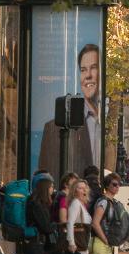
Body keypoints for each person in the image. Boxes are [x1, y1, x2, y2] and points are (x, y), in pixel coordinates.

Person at [39, 44, 106, 176]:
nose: (88, 75)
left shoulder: (106, 122)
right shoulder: (52, 129)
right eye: (83, 70)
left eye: (93, 68)